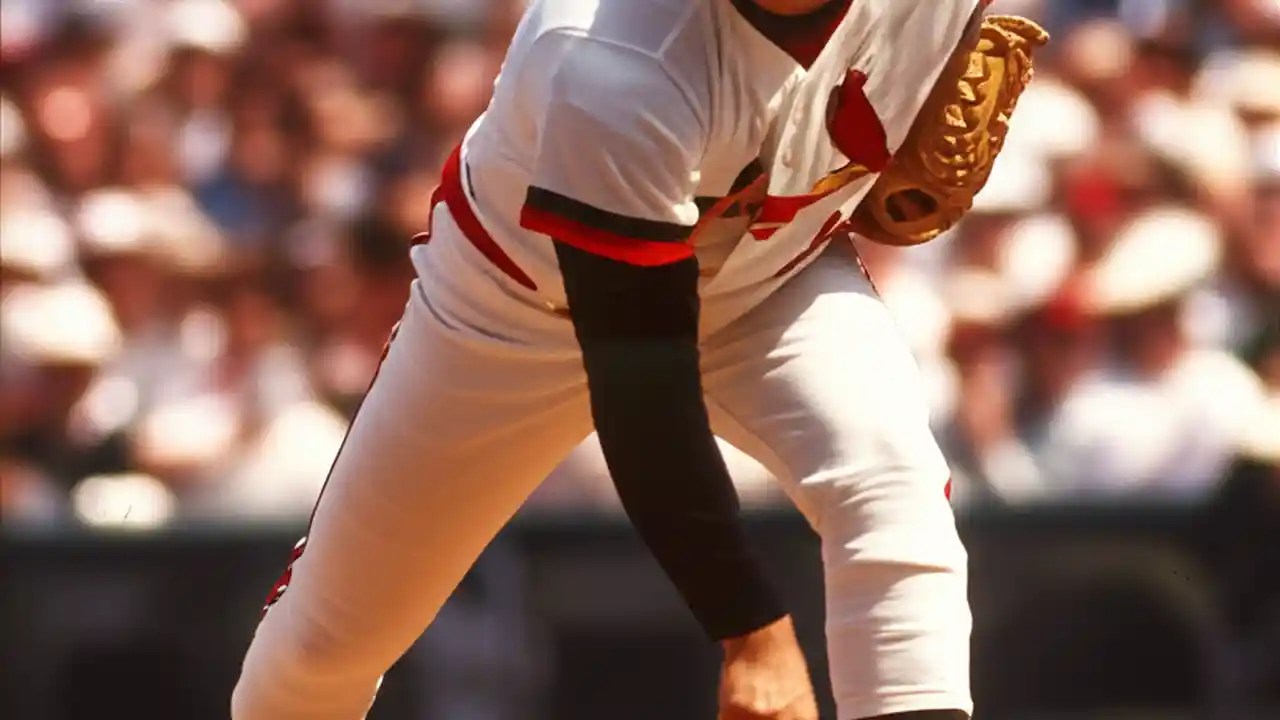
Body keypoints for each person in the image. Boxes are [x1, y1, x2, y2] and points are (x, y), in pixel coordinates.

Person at [232, 1, 1005, 718]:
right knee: (326, 646)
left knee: (893, 485)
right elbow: (642, 382)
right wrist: (751, 633)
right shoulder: (614, 61)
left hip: (771, 264)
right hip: (522, 304)